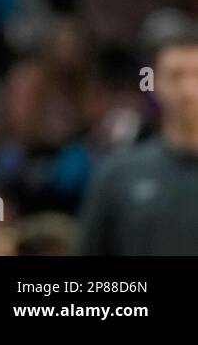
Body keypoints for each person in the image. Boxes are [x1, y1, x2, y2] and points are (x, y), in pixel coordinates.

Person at [77, 25, 198, 254]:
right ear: (156, 84)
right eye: (176, 75)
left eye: (197, 75)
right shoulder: (118, 175)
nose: (188, 89)